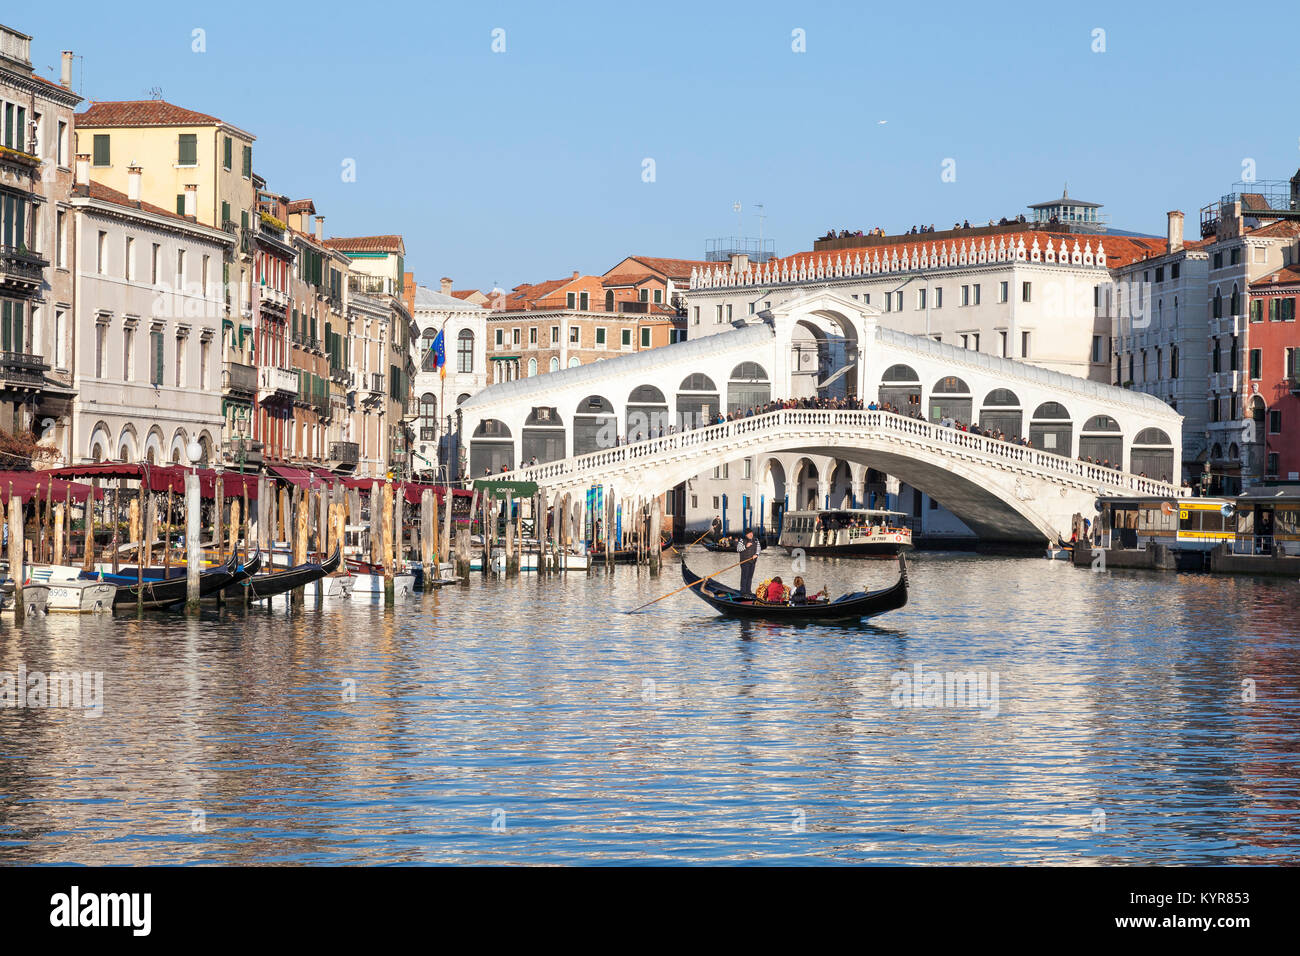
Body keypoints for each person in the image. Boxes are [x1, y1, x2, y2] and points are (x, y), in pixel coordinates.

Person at [737, 528, 760, 596]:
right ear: (746, 535)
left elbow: (759, 548)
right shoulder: (742, 540)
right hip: (744, 561)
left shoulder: (756, 540)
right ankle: (743, 591)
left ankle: (748, 591)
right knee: (745, 576)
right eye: (749, 534)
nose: (751, 534)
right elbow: (738, 549)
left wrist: (756, 554)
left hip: (752, 561)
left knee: (750, 576)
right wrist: (745, 546)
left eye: (751, 533)